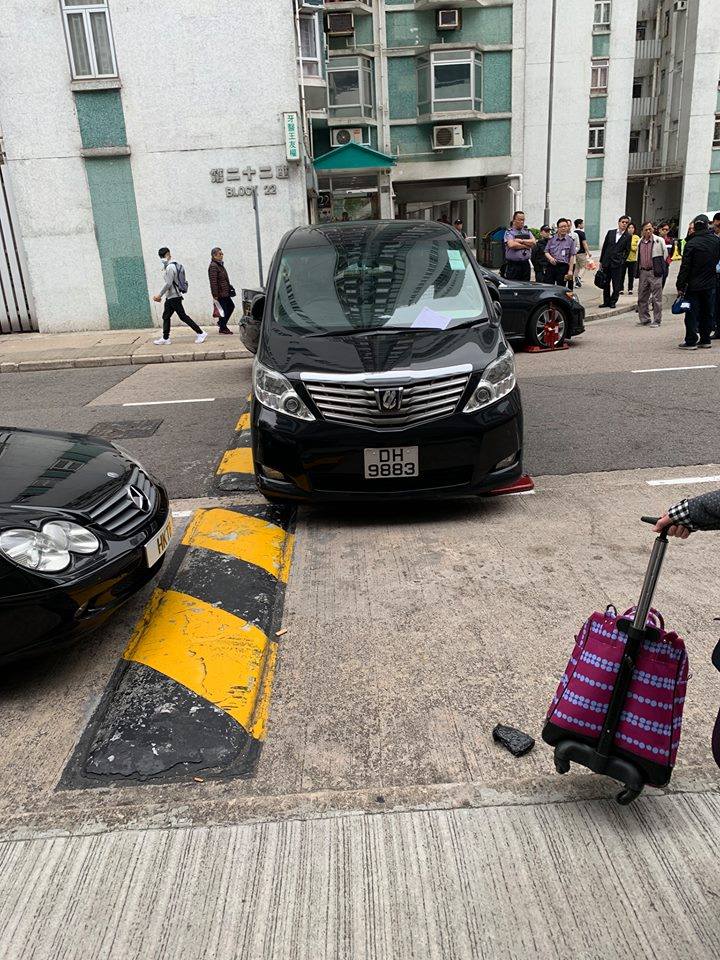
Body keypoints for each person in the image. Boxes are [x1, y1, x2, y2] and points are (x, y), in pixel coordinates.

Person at [676, 214, 720, 350]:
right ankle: (705, 339)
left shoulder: (691, 243)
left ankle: (691, 341)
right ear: (707, 225)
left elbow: (685, 267)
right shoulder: (715, 241)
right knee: (708, 312)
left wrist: (680, 285)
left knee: (691, 313)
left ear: (695, 227)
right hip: (710, 283)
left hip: (693, 285)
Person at [152, 247, 206, 346]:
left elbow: (168, 284)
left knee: (182, 316)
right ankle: (165, 338)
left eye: (163, 256)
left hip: (174, 296)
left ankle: (201, 333)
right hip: (171, 296)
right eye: (161, 257)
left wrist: (159, 295)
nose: (163, 258)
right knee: (166, 316)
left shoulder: (170, 267)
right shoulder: (172, 266)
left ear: (168, 255)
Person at [635, 221, 667, 328]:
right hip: (643, 272)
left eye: (650, 229)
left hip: (655, 272)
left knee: (656, 298)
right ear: (642, 231)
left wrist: (660, 267)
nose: (649, 231)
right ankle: (645, 319)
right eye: (646, 230)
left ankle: (657, 320)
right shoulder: (640, 242)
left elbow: (665, 255)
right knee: (642, 296)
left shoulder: (659, 240)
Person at [599, 215, 631, 307]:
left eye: (626, 223)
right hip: (607, 262)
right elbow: (605, 247)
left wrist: (622, 260)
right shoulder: (611, 233)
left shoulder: (628, 236)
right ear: (619, 223)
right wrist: (601, 261)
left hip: (617, 264)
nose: (624, 224)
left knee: (616, 284)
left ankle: (613, 301)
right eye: (623, 222)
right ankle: (606, 301)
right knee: (606, 283)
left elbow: (627, 251)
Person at [208, 246, 235, 336]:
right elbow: (213, 282)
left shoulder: (219, 265)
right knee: (225, 310)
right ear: (214, 255)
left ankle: (221, 323)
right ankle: (223, 328)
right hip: (220, 293)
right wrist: (215, 294)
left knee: (230, 307)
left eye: (222, 254)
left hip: (225, 292)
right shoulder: (213, 266)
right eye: (220, 254)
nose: (222, 255)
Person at [503, 210, 536, 282]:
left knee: (526, 285)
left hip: (525, 264)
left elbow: (533, 242)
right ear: (514, 220)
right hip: (513, 265)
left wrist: (521, 241)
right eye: (520, 220)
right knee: (513, 285)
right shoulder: (509, 232)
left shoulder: (527, 231)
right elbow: (511, 245)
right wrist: (526, 246)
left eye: (523, 220)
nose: (522, 222)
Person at [544, 218, 575, 287]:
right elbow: (546, 251)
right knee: (549, 286)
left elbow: (572, 256)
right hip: (551, 266)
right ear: (558, 228)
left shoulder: (570, 241)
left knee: (561, 287)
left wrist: (570, 270)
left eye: (565, 226)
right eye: (561, 227)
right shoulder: (551, 239)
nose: (563, 228)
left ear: (568, 227)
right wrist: (550, 258)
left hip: (563, 267)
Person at [620, 223, 639, 295]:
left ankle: (630, 289)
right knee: (622, 275)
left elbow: (638, 247)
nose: (631, 229)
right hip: (624, 259)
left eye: (632, 228)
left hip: (633, 259)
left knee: (631, 275)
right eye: (629, 228)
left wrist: (631, 246)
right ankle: (621, 289)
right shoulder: (624, 236)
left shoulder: (636, 237)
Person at [572, 218, 590, 287]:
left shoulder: (573, 233)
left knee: (577, 267)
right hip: (581, 252)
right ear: (579, 225)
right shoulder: (582, 233)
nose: (583, 225)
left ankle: (576, 282)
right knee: (584, 266)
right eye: (582, 223)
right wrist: (588, 252)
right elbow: (584, 243)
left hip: (574, 253)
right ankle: (578, 278)